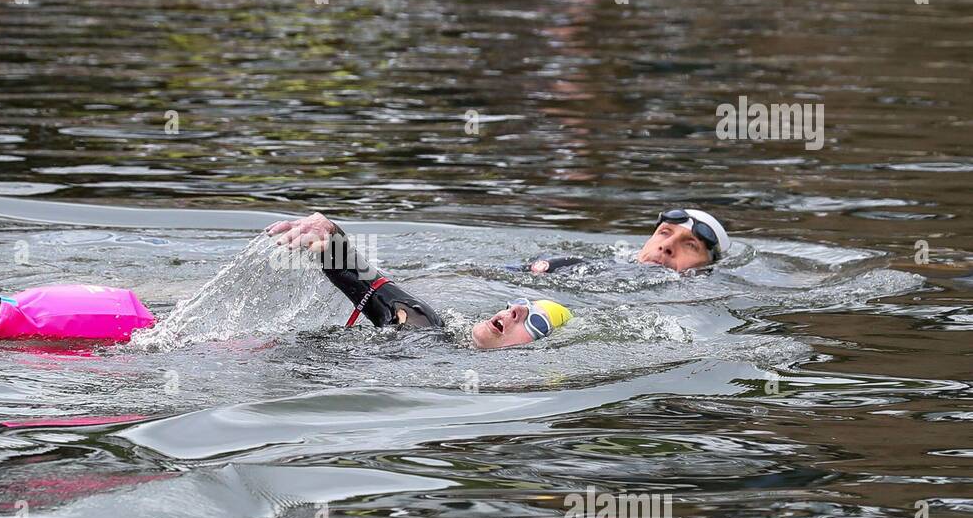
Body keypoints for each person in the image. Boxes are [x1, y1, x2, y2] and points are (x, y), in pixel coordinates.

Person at [266, 213, 573, 349]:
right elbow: (377, 290)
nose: (516, 311)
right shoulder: (433, 331)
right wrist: (331, 236)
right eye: (519, 304)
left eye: (537, 323)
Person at [523, 207, 731, 275]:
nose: (667, 246)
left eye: (690, 245)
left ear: (708, 267)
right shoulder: (590, 267)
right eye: (664, 233)